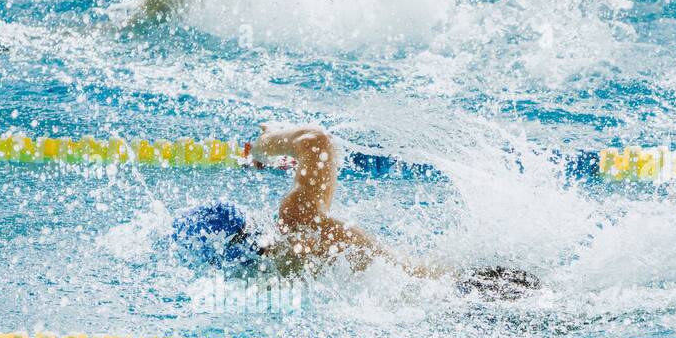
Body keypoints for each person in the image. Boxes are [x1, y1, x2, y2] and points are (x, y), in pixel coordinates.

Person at [171, 124, 542, 300]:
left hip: (448, 299)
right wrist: (262, 147)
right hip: (463, 288)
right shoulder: (297, 225)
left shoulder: (262, 289)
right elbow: (315, 141)